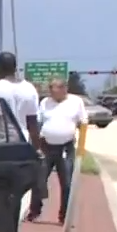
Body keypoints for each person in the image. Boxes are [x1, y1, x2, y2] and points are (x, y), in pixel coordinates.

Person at [0, 52, 41, 232]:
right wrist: (36, 148)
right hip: (22, 145)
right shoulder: (29, 89)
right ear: (16, 67)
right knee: (16, 190)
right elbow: (33, 122)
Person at [27, 78, 86, 224]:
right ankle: (35, 210)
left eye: (56, 90)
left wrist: (81, 146)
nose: (53, 93)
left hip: (66, 147)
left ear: (64, 89)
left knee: (66, 183)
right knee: (39, 179)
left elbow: (83, 122)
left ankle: (64, 215)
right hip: (46, 146)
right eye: (51, 90)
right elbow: (38, 122)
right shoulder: (45, 102)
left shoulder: (76, 102)